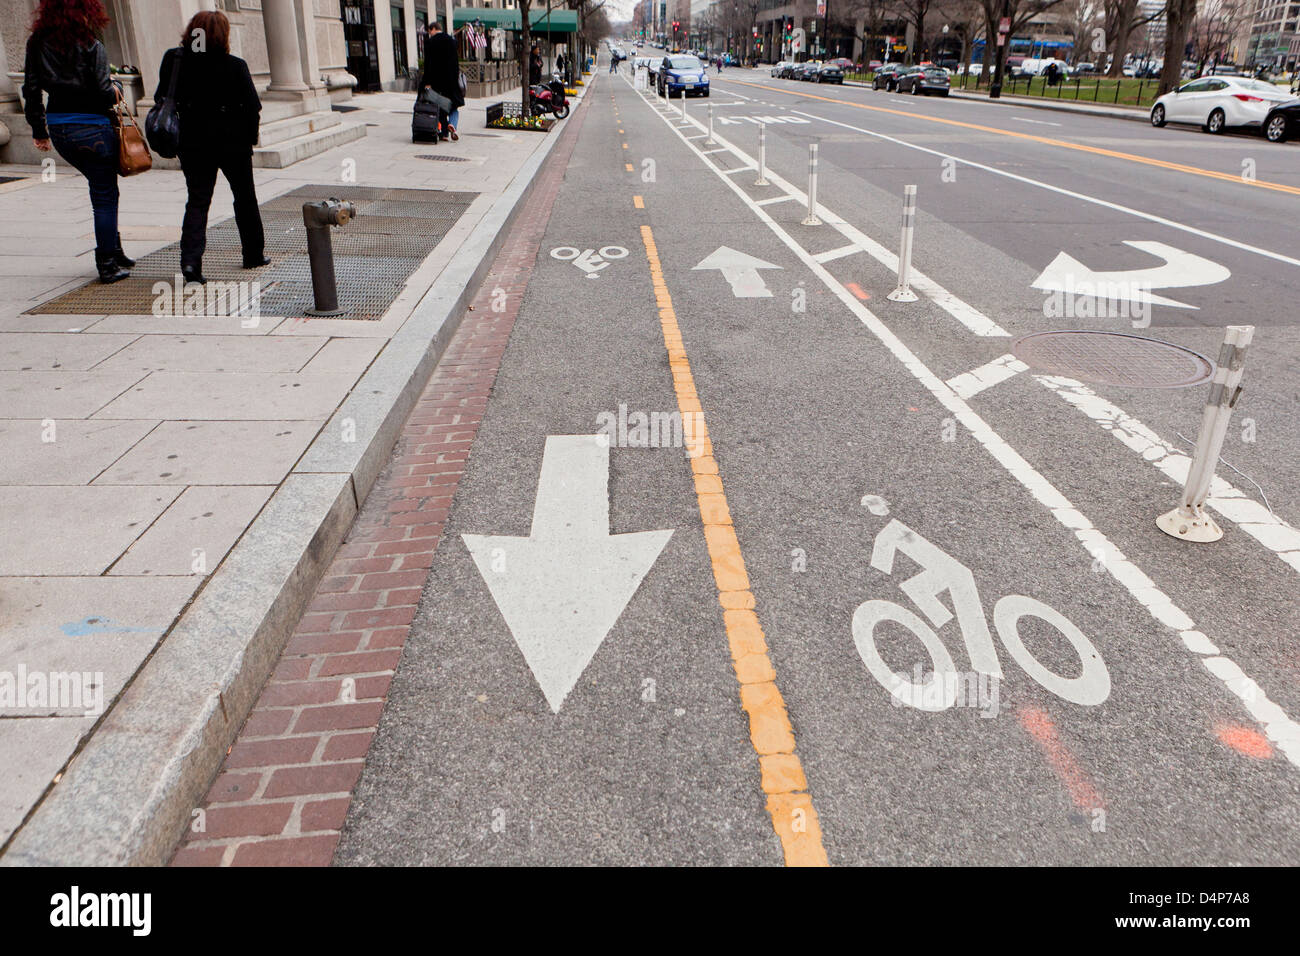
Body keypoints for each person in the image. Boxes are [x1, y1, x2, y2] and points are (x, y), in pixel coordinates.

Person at [23, 0, 130, 283]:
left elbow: (31, 88)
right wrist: (117, 85)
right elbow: (104, 90)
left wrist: (38, 130)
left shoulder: (36, 43)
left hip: (60, 127)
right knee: (104, 195)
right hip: (93, 126)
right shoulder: (90, 43)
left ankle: (114, 250)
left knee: (104, 188)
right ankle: (107, 263)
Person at [155, 10, 264, 286]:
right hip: (233, 142)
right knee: (244, 197)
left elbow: (161, 98)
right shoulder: (235, 65)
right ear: (223, 35)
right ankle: (253, 254)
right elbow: (252, 107)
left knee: (198, 201)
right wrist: (251, 138)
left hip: (194, 142)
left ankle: (191, 263)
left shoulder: (175, 60)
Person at [419, 20, 463, 141]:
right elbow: (456, 63)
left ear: (433, 29)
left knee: (439, 106)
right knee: (453, 107)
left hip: (436, 82)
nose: (430, 34)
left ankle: (444, 134)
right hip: (451, 81)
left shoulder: (430, 42)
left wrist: (427, 82)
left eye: (429, 31)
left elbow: (428, 64)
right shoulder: (452, 41)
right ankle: (452, 125)